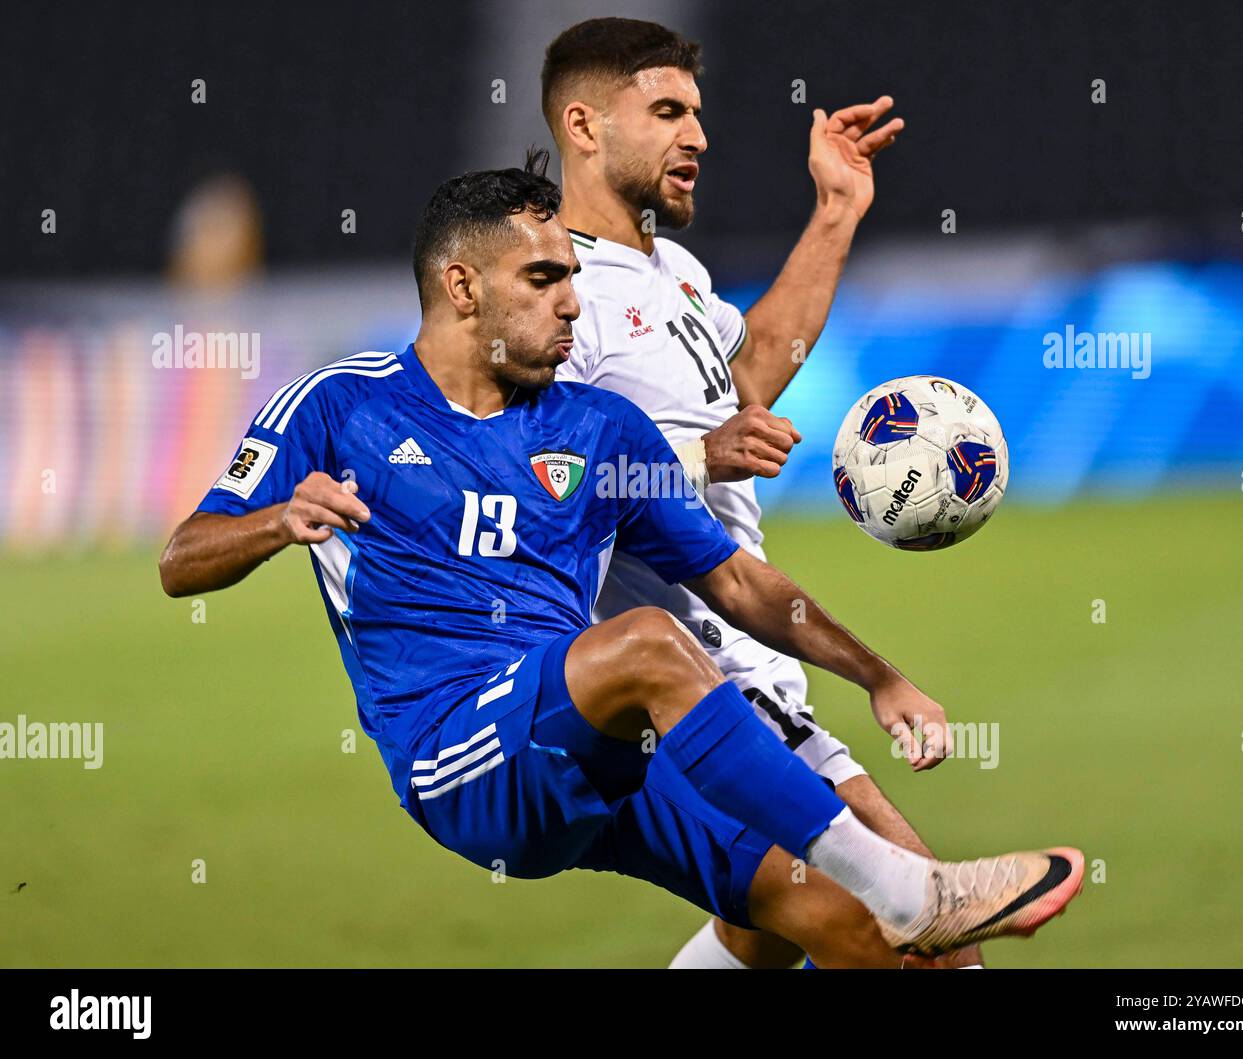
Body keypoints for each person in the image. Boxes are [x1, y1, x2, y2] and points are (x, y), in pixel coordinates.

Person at [158, 158, 1083, 966]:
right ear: (462, 286)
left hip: (598, 745)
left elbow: (734, 581)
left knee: (836, 923)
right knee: (647, 641)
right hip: (459, 755)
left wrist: (879, 675)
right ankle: (910, 888)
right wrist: (278, 519)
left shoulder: (598, 428)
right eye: (543, 277)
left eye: (571, 274)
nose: (570, 300)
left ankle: (890, 903)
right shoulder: (339, 406)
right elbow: (182, 559)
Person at [542, 16, 978, 967]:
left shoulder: (673, 271)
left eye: (697, 114)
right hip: (689, 687)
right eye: (667, 112)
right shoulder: (552, 293)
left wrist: (836, 211)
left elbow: (748, 379)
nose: (697, 136)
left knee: (765, 935)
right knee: (928, 938)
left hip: (750, 665)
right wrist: (700, 456)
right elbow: (547, 483)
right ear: (583, 126)